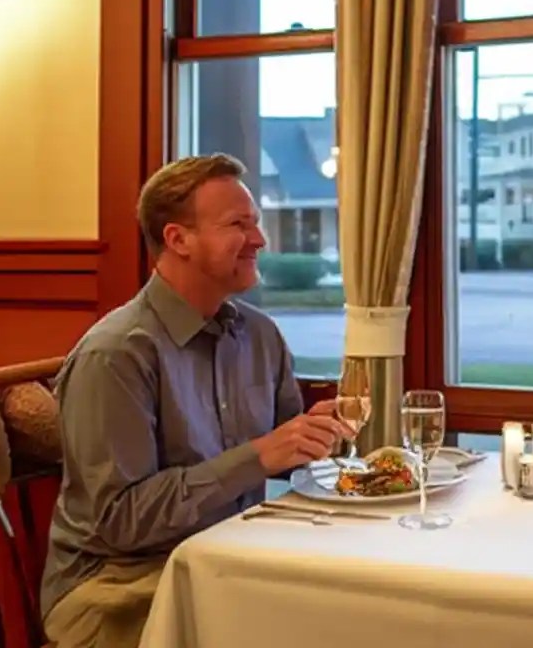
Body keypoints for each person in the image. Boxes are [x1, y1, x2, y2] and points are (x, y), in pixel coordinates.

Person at [40, 153, 353, 647]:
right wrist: (259, 454)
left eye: (256, 224)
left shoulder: (259, 335)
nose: (260, 240)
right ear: (177, 239)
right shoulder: (116, 355)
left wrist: (315, 435)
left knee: (351, 603)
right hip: (118, 588)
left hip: (223, 559)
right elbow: (120, 522)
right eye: (238, 225)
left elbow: (282, 453)